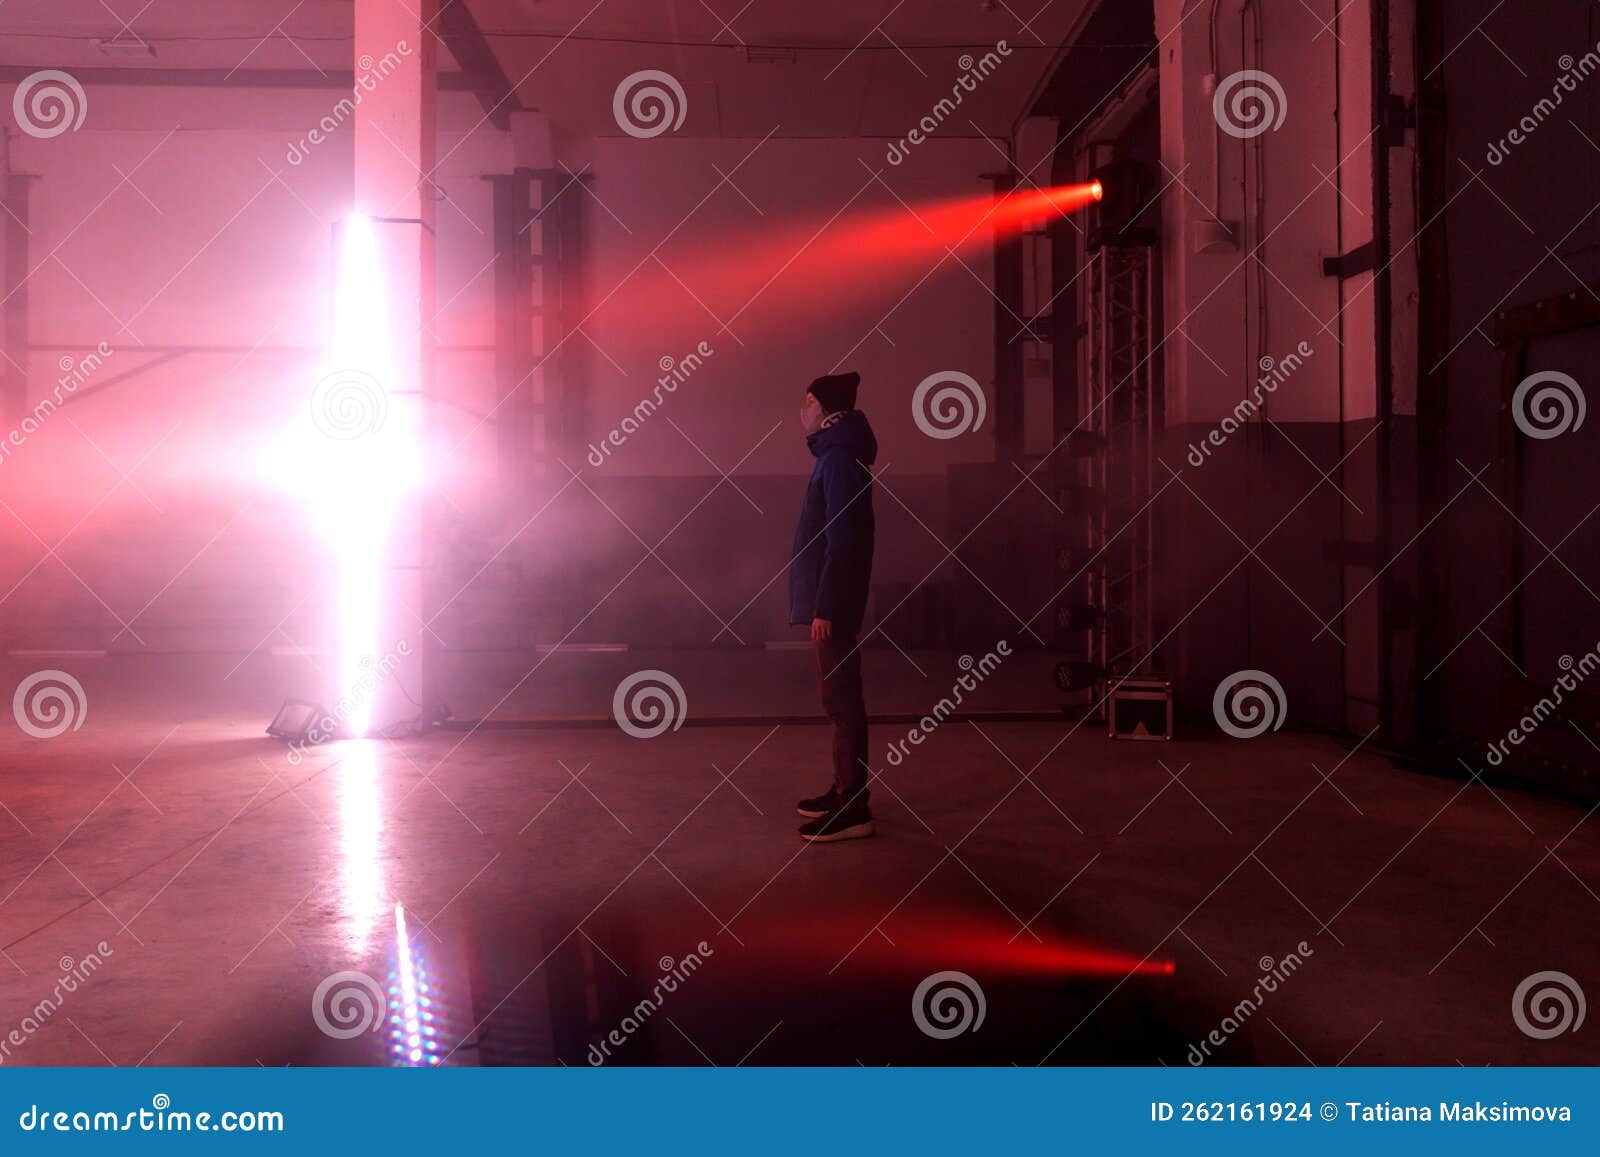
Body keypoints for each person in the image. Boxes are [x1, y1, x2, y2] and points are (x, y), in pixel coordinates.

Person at [788, 371, 877, 842]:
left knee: (842, 701)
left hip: (834, 605)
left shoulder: (839, 459)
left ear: (828, 411)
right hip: (831, 601)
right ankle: (845, 787)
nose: (804, 409)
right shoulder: (835, 456)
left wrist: (826, 605)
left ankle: (853, 805)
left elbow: (843, 541)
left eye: (809, 401)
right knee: (839, 700)